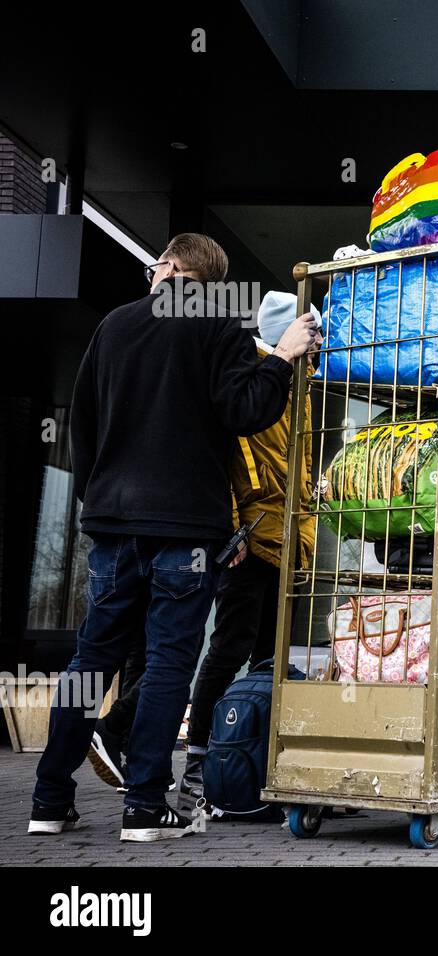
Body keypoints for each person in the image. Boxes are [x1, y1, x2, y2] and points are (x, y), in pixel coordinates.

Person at [29, 234, 321, 842]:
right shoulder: (218, 323)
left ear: (170, 268)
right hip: (186, 527)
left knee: (90, 662)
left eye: (153, 266)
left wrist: (98, 504)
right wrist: (283, 355)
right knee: (168, 663)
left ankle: (49, 800)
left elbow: (83, 422)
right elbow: (247, 410)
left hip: (113, 526)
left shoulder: (111, 327)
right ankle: (144, 809)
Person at [85, 292, 319, 812]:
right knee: (221, 650)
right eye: (312, 336)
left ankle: (246, 758)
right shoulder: (257, 371)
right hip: (251, 536)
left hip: (281, 535)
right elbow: (231, 454)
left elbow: (287, 462)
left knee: (263, 654)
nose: (318, 346)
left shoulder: (293, 382)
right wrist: (230, 529)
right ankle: (184, 752)